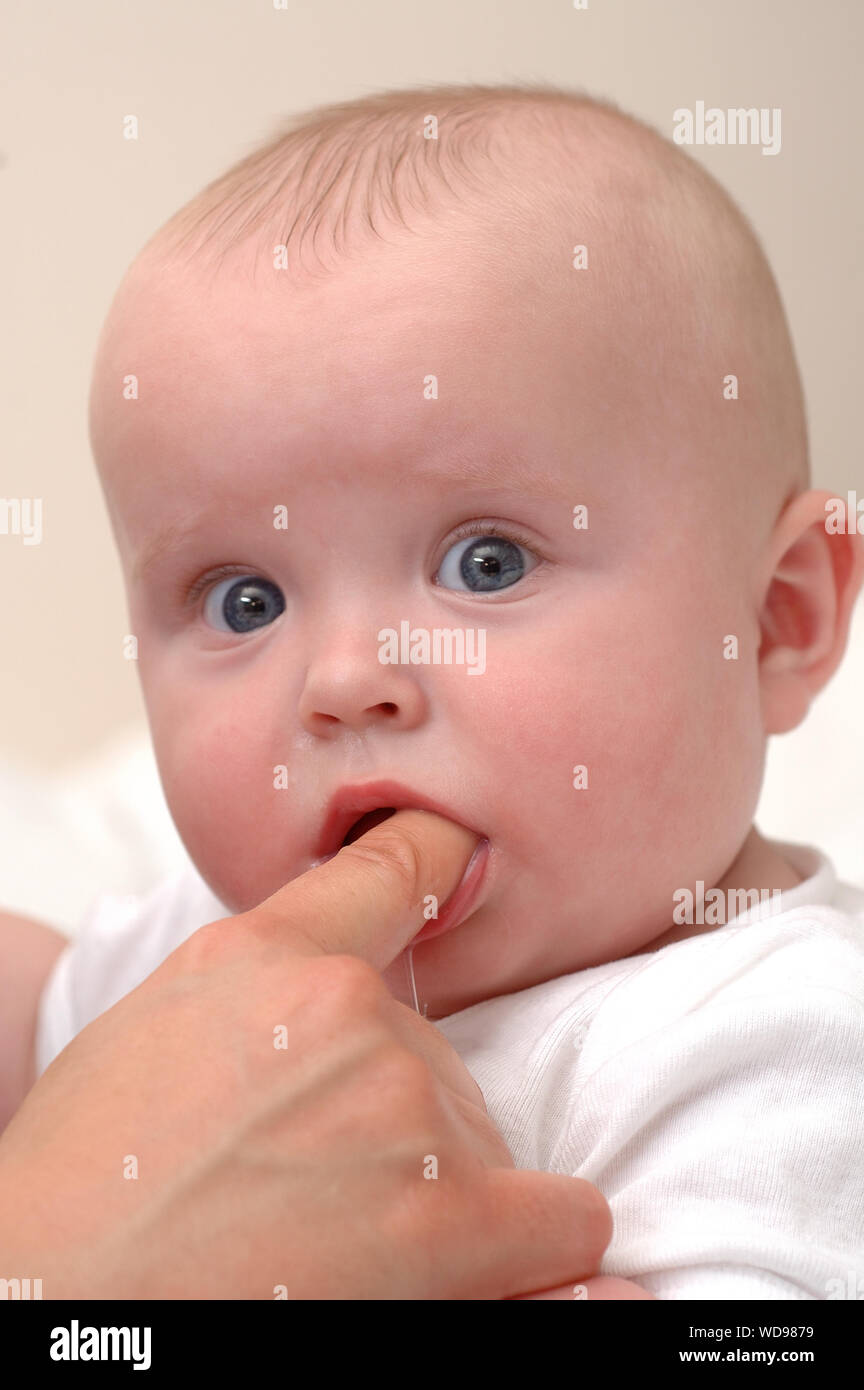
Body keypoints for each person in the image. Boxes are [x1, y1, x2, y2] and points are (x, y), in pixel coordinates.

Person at [4, 82, 864, 1298]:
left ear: (776, 621)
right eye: (245, 599)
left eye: (487, 564)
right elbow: (44, 1013)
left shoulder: (778, 1031)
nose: (346, 680)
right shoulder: (220, 962)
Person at [0, 811, 645, 1299]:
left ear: (751, 643)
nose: (343, 679)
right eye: (247, 622)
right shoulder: (216, 934)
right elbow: (37, 1009)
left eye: (493, 620)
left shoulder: (726, 1032)